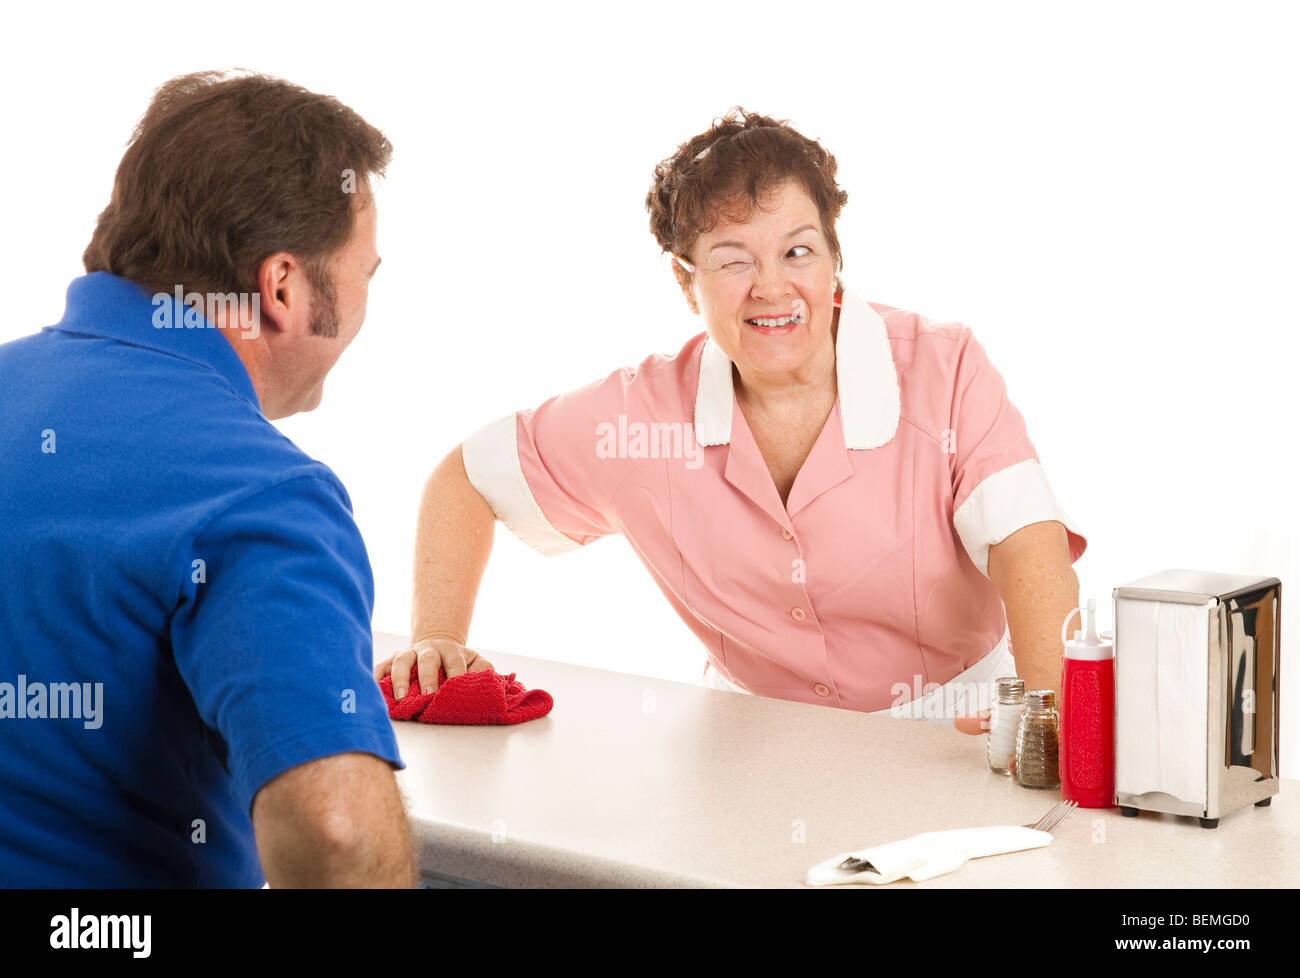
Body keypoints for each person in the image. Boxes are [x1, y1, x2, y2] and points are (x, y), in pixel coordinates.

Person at [378, 108, 1086, 732]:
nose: (771, 286)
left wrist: (1048, 716)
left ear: (836, 258)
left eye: (797, 251)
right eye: (732, 261)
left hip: (951, 734)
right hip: (752, 749)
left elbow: (1029, 544)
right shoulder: (639, 418)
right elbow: (467, 478)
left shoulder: (943, 364)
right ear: (686, 282)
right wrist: (436, 636)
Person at [0, 71, 413, 887]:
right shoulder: (257, 493)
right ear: (285, 286)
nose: (370, 294)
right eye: (368, 268)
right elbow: (334, 833)